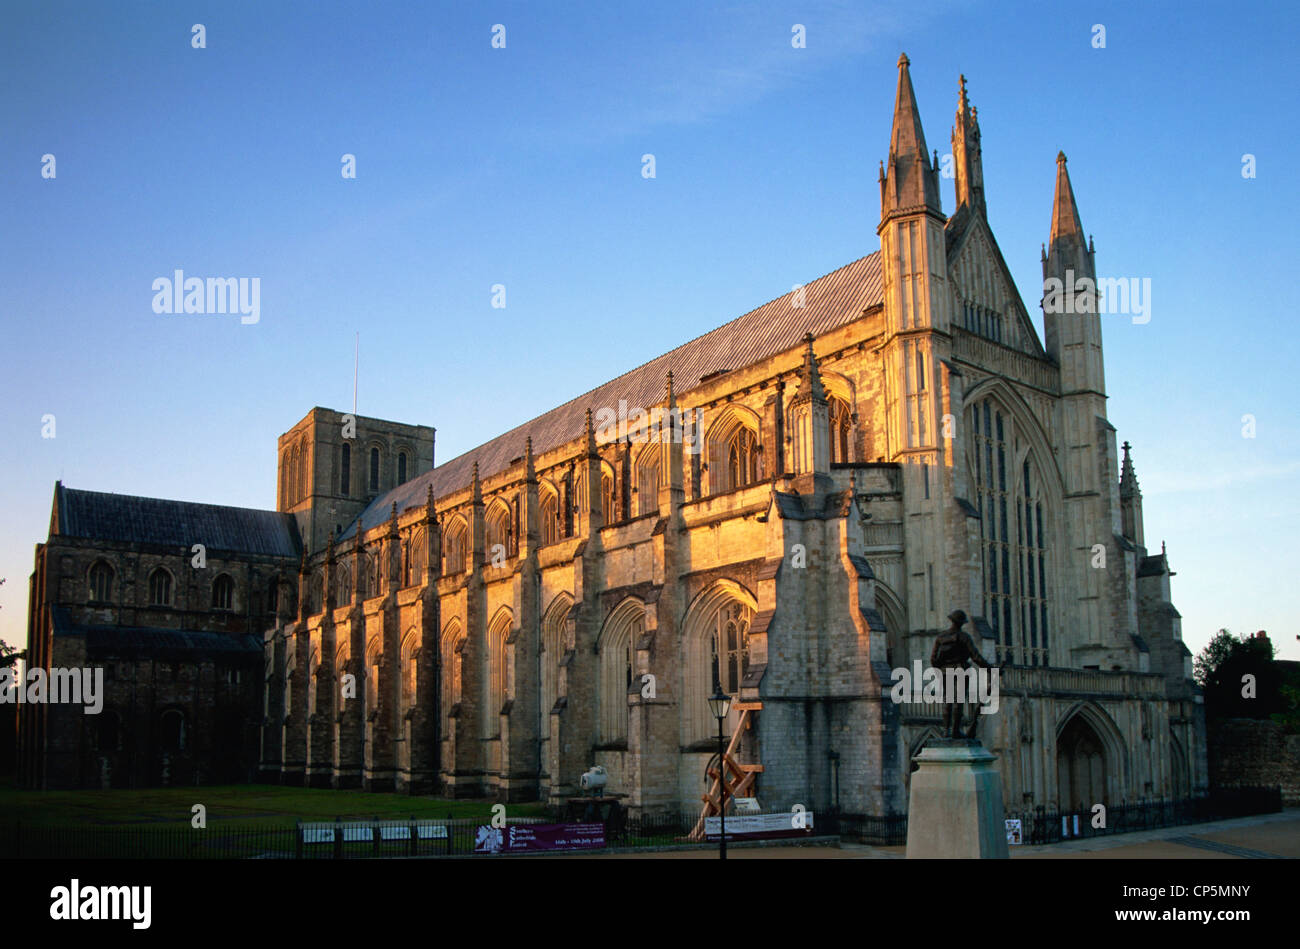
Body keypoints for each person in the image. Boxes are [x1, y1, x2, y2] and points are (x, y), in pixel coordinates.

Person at [929, 609, 992, 739]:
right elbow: (976, 657)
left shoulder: (940, 637)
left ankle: (946, 731)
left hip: (945, 672)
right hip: (960, 671)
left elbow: (933, 660)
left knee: (947, 700)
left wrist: (942, 667)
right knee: (958, 701)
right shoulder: (964, 637)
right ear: (961, 623)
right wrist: (990, 668)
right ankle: (956, 731)